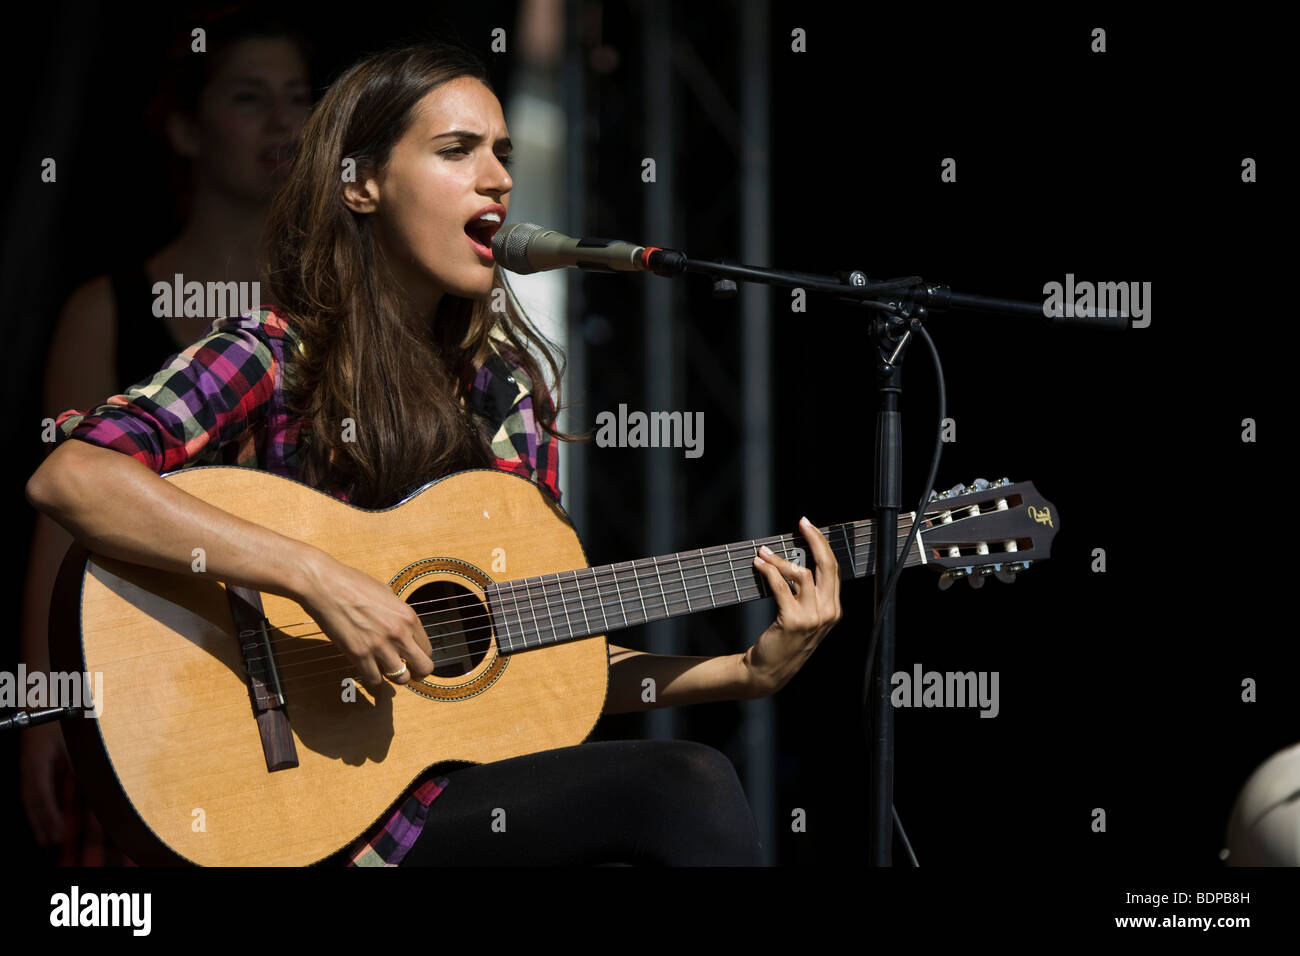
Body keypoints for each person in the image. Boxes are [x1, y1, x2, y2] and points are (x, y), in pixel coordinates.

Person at [25, 39, 843, 866]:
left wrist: (739, 671)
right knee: (685, 786)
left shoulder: (509, 390)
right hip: (310, 809)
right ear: (361, 184)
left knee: (679, 787)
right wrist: (316, 577)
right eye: (457, 151)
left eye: (503, 152)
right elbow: (75, 475)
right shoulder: (274, 353)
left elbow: (543, 662)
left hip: (440, 805)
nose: (499, 178)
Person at [19, 7, 313, 865]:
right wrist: (47, 699)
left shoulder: (336, 313)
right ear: (185, 129)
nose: (283, 123)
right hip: (146, 675)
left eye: (299, 98)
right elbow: (59, 515)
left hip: (305, 680)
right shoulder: (106, 310)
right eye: (250, 98)